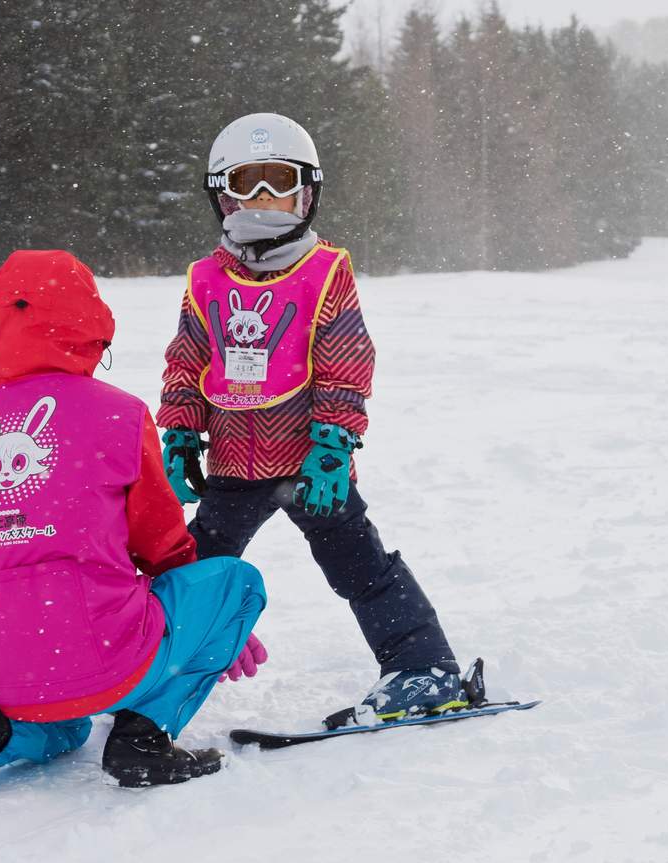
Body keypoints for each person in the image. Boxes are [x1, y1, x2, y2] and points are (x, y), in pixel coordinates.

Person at [157, 113, 468, 725]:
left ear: (307, 192)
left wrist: (334, 440)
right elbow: (188, 358)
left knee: (359, 567)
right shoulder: (205, 280)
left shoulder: (324, 273)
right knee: (193, 573)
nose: (262, 200)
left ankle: (423, 668)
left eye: (278, 183)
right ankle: (154, 671)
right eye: (247, 184)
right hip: (231, 467)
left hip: (307, 465)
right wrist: (180, 430)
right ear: (221, 192)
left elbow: (346, 358)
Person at [0, 249, 265, 794]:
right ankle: (144, 738)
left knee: (64, 730)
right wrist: (216, 622)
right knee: (238, 584)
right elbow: (161, 543)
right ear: (89, 325)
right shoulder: (119, 415)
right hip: (99, 650)